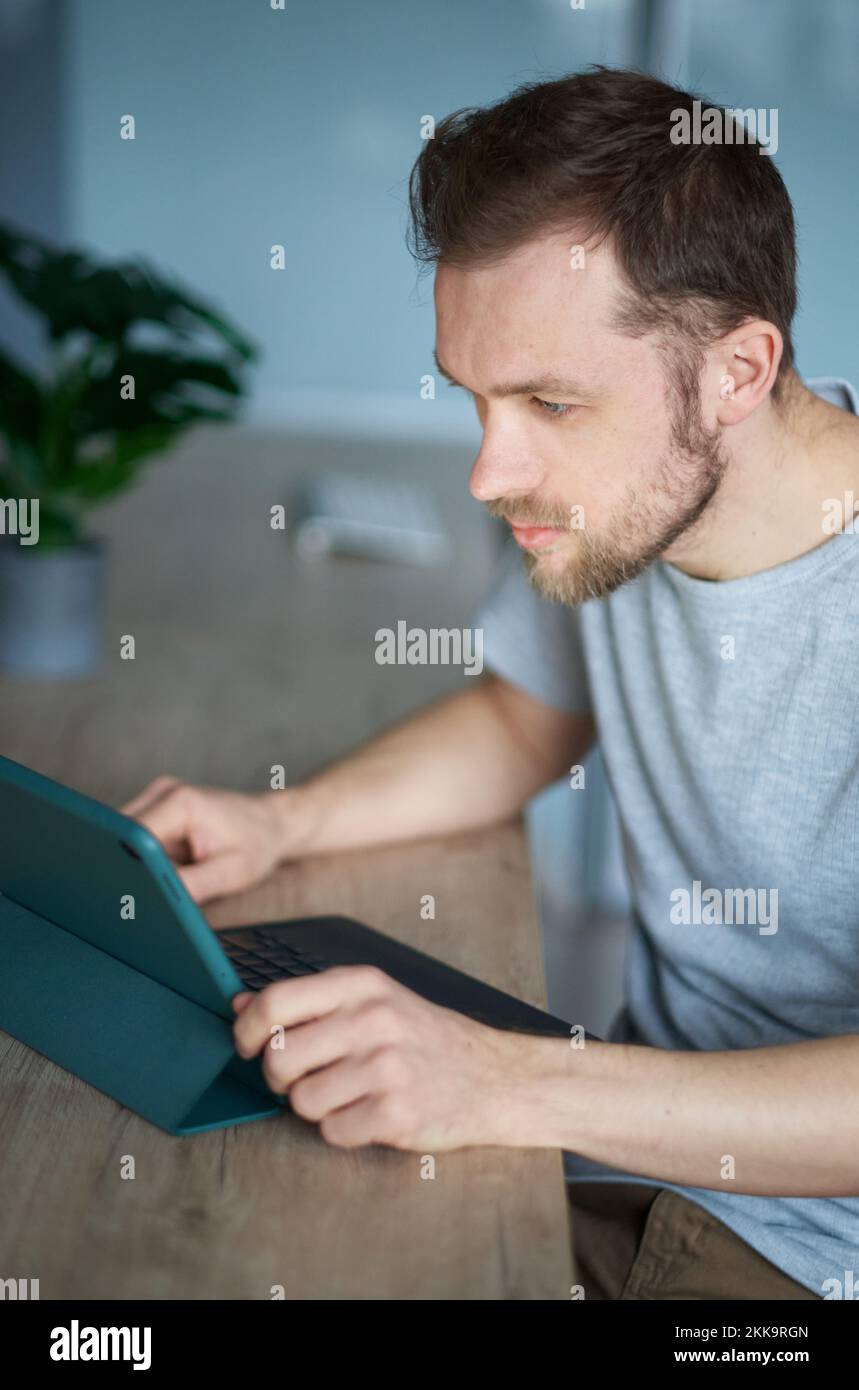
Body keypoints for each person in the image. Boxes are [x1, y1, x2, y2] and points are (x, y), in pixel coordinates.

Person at [123, 69, 859, 1300]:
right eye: (473, 398)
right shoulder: (624, 506)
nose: (488, 471)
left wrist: (504, 1079)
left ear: (738, 370)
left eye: (548, 403)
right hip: (619, 1157)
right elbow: (526, 715)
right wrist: (280, 820)